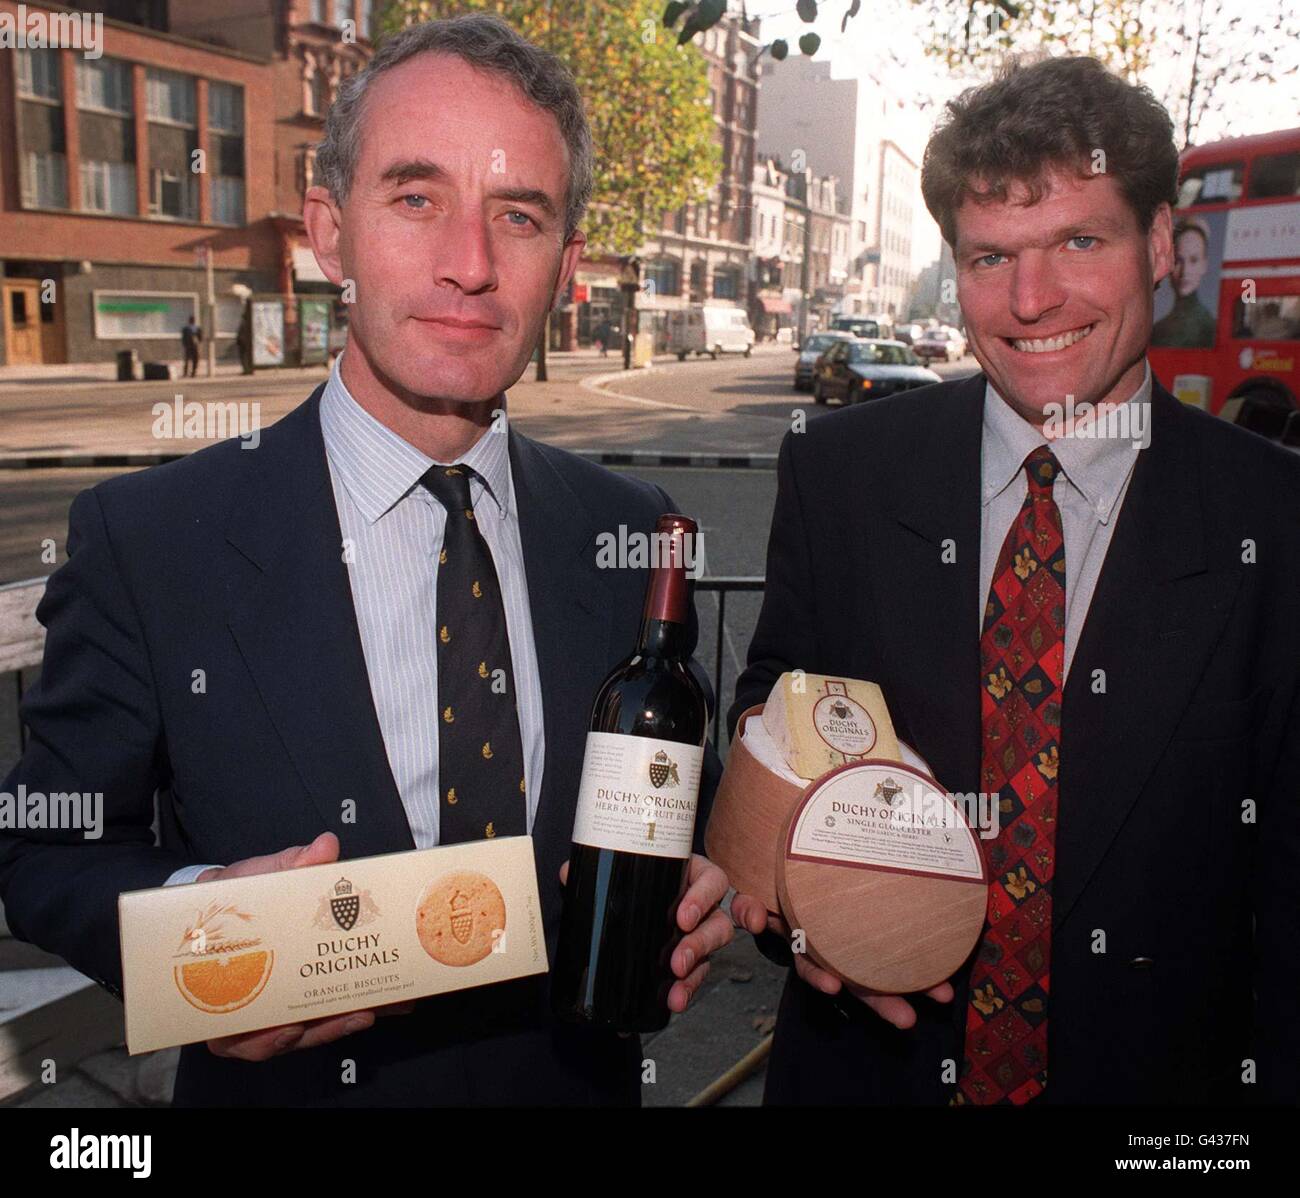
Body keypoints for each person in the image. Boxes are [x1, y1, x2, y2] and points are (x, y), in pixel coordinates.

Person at [0, 14, 734, 1108]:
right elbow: (48, 855)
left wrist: (697, 889)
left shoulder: (627, 529)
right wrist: (208, 935)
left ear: (567, 267)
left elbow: (670, 797)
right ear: (329, 233)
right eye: (415, 197)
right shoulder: (153, 541)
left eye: (518, 216)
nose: (470, 265)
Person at [725, 55, 1300, 1106]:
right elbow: (773, 710)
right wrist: (793, 900)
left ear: (1163, 247)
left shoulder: (1275, 523)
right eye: (991, 257)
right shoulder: (840, 473)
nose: (1030, 301)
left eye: (1077, 241)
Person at [1150, 217, 1216, 348]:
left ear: (1204, 265)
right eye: (1178, 261)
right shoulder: (1158, 329)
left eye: (1193, 260)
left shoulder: (1208, 328)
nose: (1185, 272)